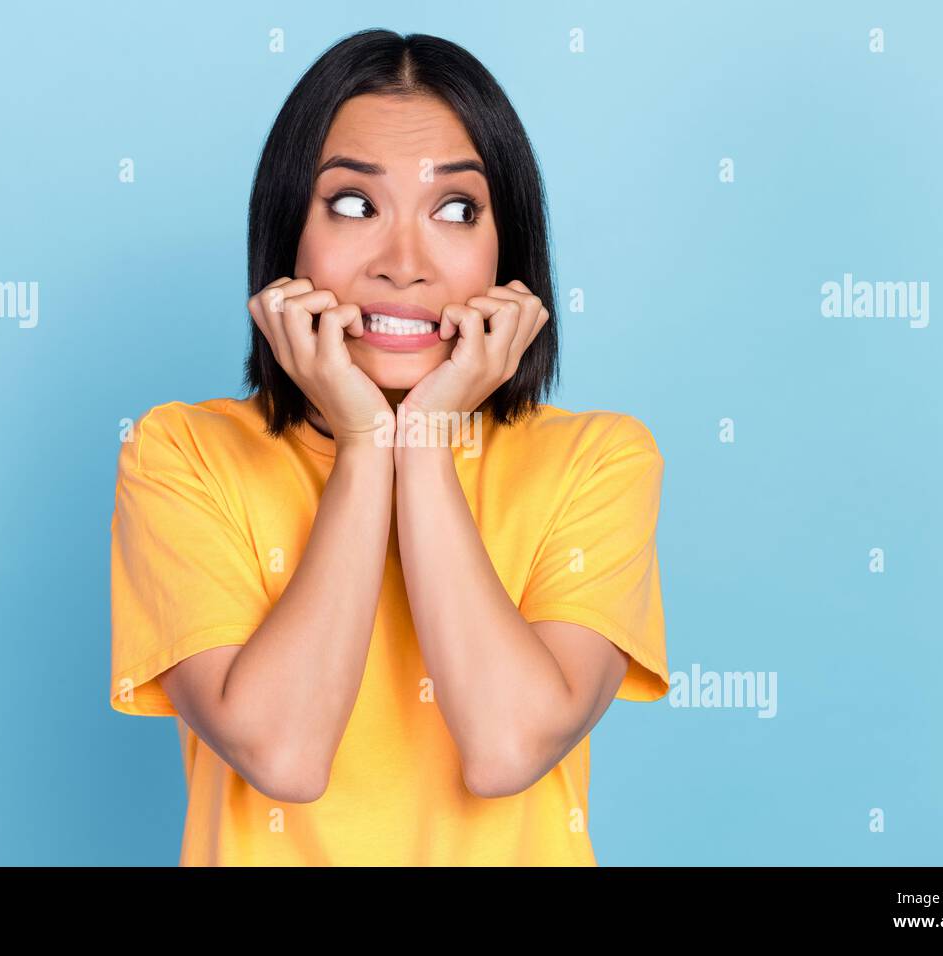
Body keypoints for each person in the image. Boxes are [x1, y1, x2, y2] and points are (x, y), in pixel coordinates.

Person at [109, 28, 669, 866]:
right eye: (353, 205)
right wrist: (367, 442)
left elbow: (507, 750)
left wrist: (425, 441)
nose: (403, 265)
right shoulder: (181, 453)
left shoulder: (598, 461)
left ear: (507, 253)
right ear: (287, 235)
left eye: (456, 210)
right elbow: (285, 757)